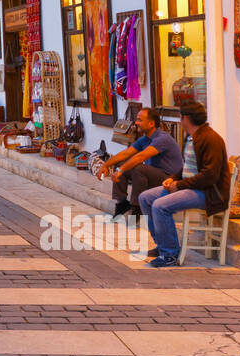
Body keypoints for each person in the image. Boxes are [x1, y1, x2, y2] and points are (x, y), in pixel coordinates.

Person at [138, 102, 231, 268]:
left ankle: (170, 254)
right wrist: (173, 178)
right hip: (191, 187)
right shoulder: (192, 137)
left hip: (208, 193)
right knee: (145, 198)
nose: (180, 121)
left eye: (181, 117)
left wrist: (179, 185)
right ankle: (162, 245)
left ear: (186, 118)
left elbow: (210, 176)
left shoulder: (211, 139)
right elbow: (188, 166)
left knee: (160, 206)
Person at [96, 107, 184, 217]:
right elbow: (126, 153)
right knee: (121, 163)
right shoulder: (145, 138)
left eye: (140, 120)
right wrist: (106, 164)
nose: (136, 122)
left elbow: (141, 157)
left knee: (139, 168)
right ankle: (122, 203)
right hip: (154, 175)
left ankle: (137, 208)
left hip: (170, 178)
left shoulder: (162, 138)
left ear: (151, 123)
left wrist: (120, 170)